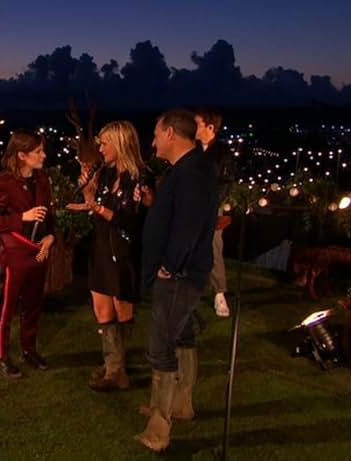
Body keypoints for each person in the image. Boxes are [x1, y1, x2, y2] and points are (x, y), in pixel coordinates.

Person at [136, 109, 217, 452]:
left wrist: (169, 264)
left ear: (171, 133)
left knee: (161, 346)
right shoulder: (185, 170)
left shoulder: (192, 172)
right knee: (181, 336)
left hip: (179, 275)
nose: (152, 141)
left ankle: (159, 428)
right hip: (180, 272)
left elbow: (189, 226)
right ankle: (179, 404)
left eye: (155, 134)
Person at [66, 120, 144, 392]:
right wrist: (87, 191)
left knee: (121, 306)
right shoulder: (107, 174)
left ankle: (118, 369)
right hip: (100, 247)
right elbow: (94, 204)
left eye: (105, 143)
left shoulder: (138, 179)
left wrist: (98, 209)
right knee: (101, 307)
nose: (100, 148)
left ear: (121, 144)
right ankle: (112, 365)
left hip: (122, 252)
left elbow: (130, 221)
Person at [0, 129, 55, 379]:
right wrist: (20, 218)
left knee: (33, 306)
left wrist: (51, 237)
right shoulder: (4, 183)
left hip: (39, 254)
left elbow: (49, 214)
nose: (44, 155)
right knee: (6, 308)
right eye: (38, 151)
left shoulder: (42, 179)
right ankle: (1, 357)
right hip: (15, 257)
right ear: (22, 155)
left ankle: (29, 350)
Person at [195, 107, 236, 317]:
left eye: (198, 124)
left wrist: (211, 202)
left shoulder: (222, 152)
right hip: (190, 205)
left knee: (213, 246)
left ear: (209, 127)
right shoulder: (192, 149)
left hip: (211, 206)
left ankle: (219, 293)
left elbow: (226, 182)